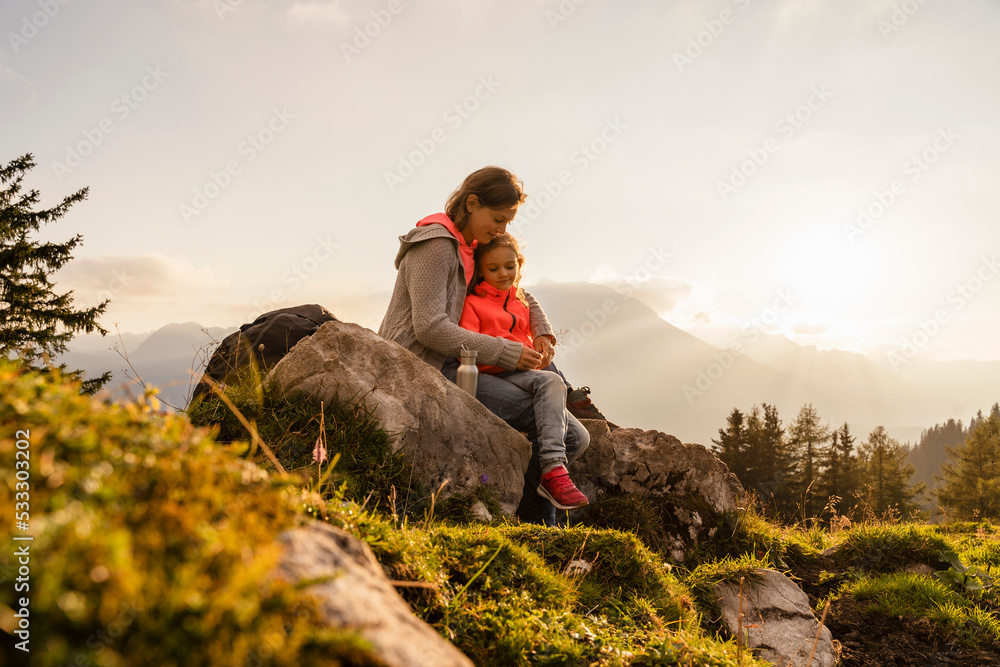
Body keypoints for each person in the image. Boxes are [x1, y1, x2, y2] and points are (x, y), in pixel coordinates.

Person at [378, 165, 589, 525]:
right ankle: (539, 528)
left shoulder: (467, 247)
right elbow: (429, 328)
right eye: (497, 218)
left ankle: (525, 516)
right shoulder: (436, 246)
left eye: (507, 222)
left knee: (578, 436)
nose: (502, 230)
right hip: (422, 367)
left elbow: (518, 291)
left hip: (464, 363)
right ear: (472, 203)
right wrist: (506, 352)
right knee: (559, 430)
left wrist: (541, 332)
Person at [458, 233, 589, 510]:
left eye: (509, 266)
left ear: (519, 264)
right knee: (552, 382)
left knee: (579, 437)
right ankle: (554, 469)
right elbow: (467, 348)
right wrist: (510, 357)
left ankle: (532, 502)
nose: (503, 274)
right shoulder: (472, 304)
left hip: (525, 375)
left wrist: (542, 345)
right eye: (493, 269)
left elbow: (534, 317)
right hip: (494, 375)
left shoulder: (521, 301)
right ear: (480, 270)